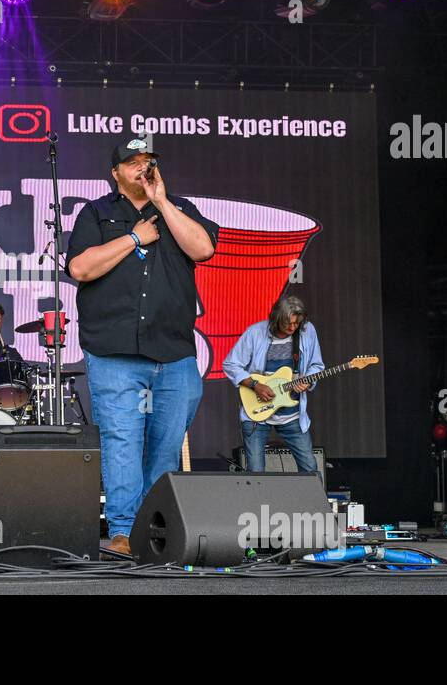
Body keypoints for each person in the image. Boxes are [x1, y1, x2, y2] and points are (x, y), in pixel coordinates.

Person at [67, 137, 218, 557]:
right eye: (131, 163)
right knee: (121, 440)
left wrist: (163, 203)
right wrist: (134, 239)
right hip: (113, 350)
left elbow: (203, 248)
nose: (141, 167)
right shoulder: (96, 212)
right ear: (114, 173)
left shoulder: (180, 209)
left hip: (173, 351)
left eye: (147, 161)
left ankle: (154, 528)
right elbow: (80, 266)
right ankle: (122, 531)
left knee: (167, 444)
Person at [223, 295, 324, 475]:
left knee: (310, 469)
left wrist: (307, 380)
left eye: (296, 323)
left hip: (291, 415)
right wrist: (255, 385)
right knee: (256, 474)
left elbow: (316, 366)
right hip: (256, 416)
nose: (293, 328)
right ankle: (257, 505)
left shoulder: (307, 331)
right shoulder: (255, 333)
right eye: (288, 324)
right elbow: (231, 364)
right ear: (276, 319)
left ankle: (312, 504)